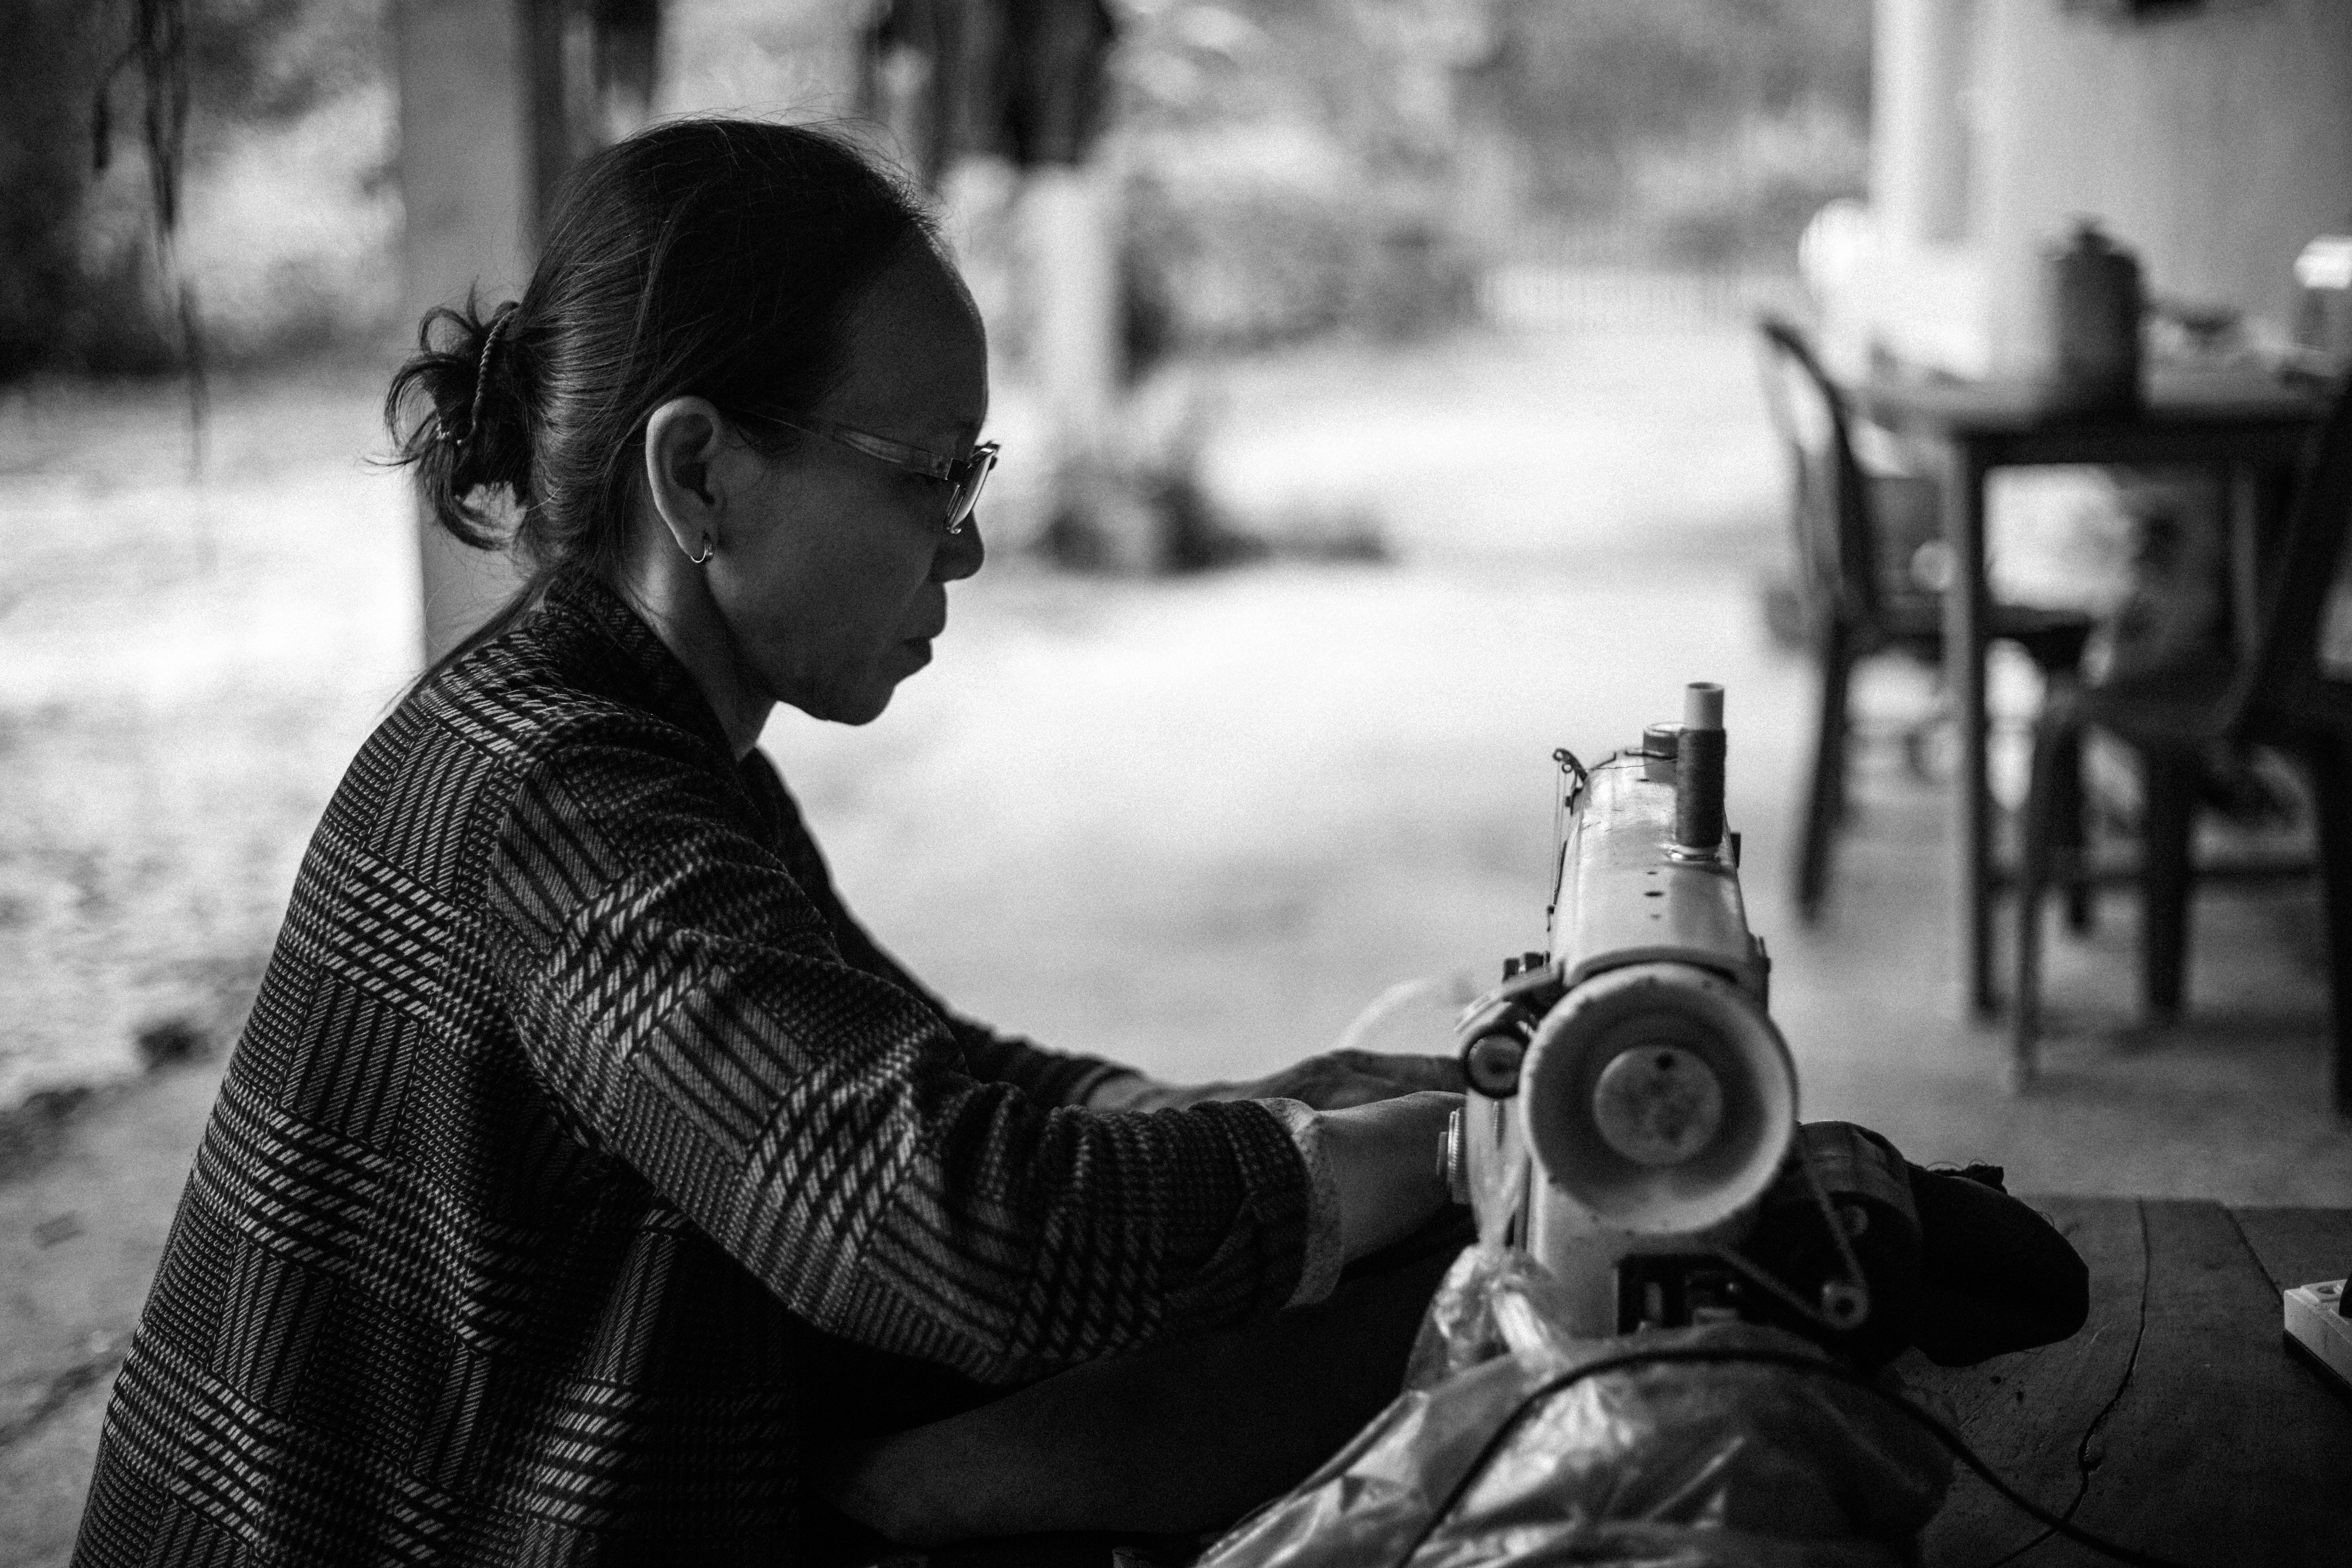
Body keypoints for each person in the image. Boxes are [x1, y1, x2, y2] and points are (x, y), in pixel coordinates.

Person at [71, 119, 1463, 1567]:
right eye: (930, 475)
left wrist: (1264, 1103)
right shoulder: (563, 794)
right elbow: (950, 1227)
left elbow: (922, 1065)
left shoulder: (639, 734)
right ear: (701, 480)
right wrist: (1444, 1148)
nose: (967, 546)